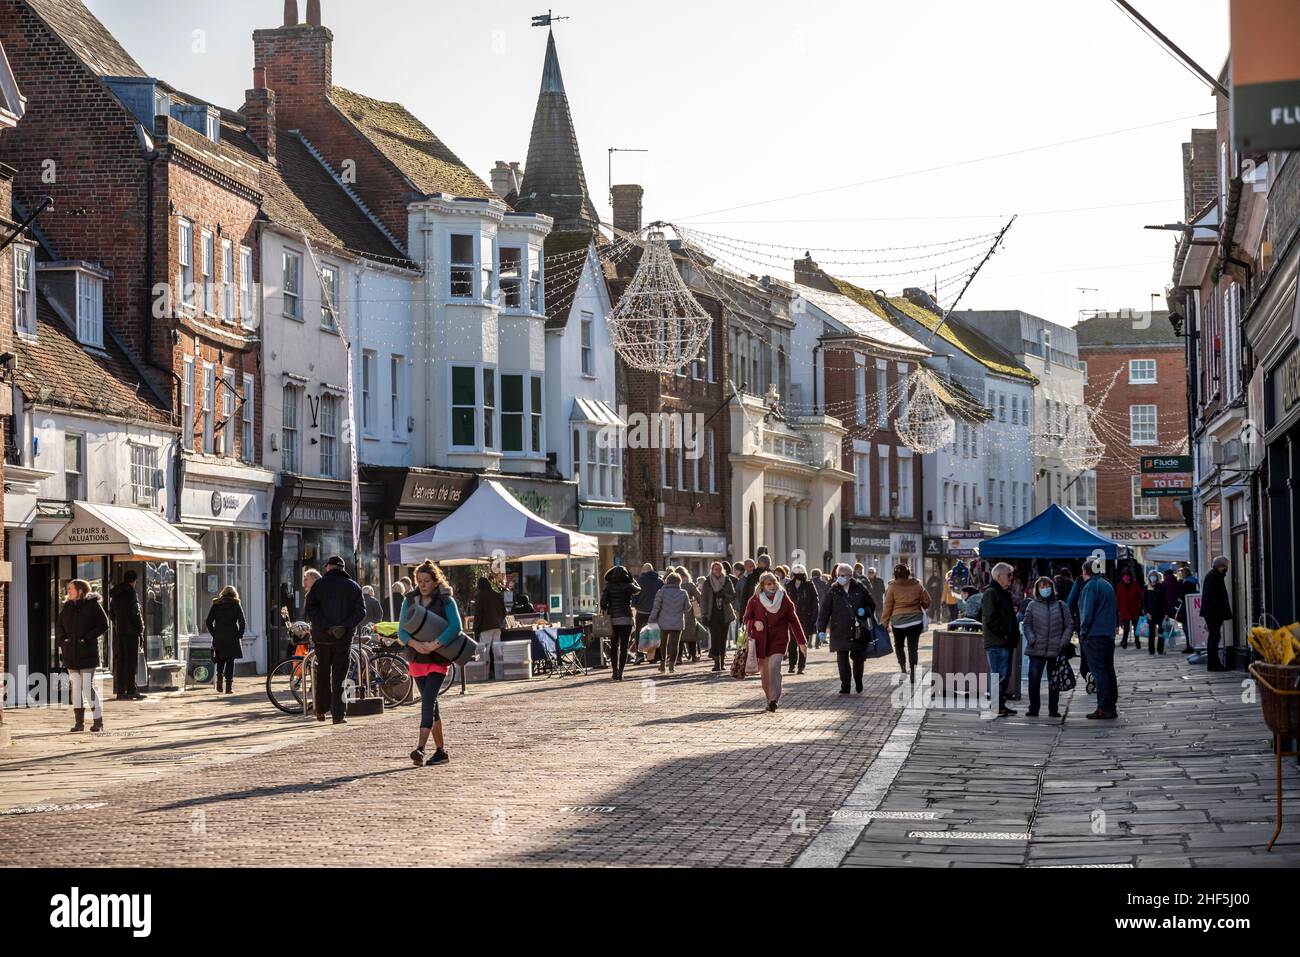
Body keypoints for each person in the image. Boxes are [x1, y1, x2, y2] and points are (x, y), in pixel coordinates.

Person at [397, 560, 460, 766]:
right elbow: (402, 630)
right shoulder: (410, 600)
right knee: (432, 707)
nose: (422, 584)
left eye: (426, 581)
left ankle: (420, 748)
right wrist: (415, 643)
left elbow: (455, 626)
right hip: (417, 658)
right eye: (419, 581)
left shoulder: (445, 600)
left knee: (427, 701)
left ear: (435, 581)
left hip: (438, 658)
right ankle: (441, 752)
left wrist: (434, 644)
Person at [303, 555, 367, 725]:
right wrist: (344, 626)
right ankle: (338, 715)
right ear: (342, 568)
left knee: (322, 673)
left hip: (322, 637)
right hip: (342, 639)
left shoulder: (318, 585)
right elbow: (361, 611)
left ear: (328, 567)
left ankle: (321, 710)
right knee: (340, 675)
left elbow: (310, 609)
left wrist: (326, 626)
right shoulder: (353, 586)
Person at [743, 571, 807, 712]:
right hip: (761, 642)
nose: (772, 586)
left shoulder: (783, 599)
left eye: (773, 583)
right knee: (765, 675)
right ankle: (769, 698)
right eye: (768, 584)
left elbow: (794, 621)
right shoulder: (754, 600)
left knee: (774, 667)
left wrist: (802, 642)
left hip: (779, 640)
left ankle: (774, 699)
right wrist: (754, 623)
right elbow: (746, 618)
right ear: (762, 586)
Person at [58, 579, 109, 733]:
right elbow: (59, 626)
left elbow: (103, 625)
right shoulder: (67, 607)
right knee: (75, 689)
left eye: (71, 589)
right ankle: (79, 723)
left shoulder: (93, 605)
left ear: (80, 591)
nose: (68, 592)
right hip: (71, 654)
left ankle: (98, 722)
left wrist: (87, 638)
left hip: (87, 653)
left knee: (87, 687)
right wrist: (63, 640)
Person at [816, 563, 874, 695]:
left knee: (858, 658)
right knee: (842, 660)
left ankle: (858, 681)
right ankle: (845, 685)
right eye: (838, 575)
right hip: (839, 629)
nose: (840, 578)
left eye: (843, 575)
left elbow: (871, 604)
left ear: (850, 576)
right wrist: (821, 630)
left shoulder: (860, 588)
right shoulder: (833, 590)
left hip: (858, 630)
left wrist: (864, 611)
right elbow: (824, 611)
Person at [1022, 576, 1074, 718]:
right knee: (1034, 679)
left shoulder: (1060, 605)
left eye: (1047, 586)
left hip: (1055, 649)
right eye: (1042, 586)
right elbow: (1027, 625)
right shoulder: (1032, 605)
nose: (1045, 589)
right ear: (1037, 589)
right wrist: (1032, 639)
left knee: (1054, 681)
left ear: (1052, 588)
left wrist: (1063, 641)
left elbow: (1069, 624)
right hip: (1036, 649)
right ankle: (1033, 708)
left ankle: (1053, 709)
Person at [1078, 559, 1119, 718]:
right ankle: (1110, 705)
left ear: (1086, 572)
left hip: (1094, 635)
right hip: (1107, 635)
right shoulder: (1107, 585)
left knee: (1099, 672)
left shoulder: (1090, 587)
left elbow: (1087, 614)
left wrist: (1083, 632)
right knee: (1109, 670)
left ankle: (1103, 707)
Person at [881, 563, 932, 684]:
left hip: (898, 622)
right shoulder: (917, 585)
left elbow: (888, 606)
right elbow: (927, 601)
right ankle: (914, 672)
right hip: (915, 621)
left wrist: (885, 622)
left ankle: (903, 669)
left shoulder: (892, 587)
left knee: (899, 645)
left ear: (895, 574)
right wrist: (922, 606)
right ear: (908, 573)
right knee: (913, 648)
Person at [981, 563, 1019, 717]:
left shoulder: (1002, 593)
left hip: (1004, 640)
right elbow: (990, 617)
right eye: (1008, 574)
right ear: (998, 576)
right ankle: (996, 705)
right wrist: (1006, 632)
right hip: (997, 641)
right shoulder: (991, 593)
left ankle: (1000, 704)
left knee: (1004, 675)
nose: (1011, 578)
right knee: (999, 674)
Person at [108, 571, 145, 701]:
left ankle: (120, 690)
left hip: (120, 631)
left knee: (121, 661)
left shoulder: (116, 594)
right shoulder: (131, 592)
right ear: (134, 580)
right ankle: (131, 689)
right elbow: (135, 612)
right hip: (131, 632)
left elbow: (111, 613)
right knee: (131, 661)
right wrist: (140, 628)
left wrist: (118, 623)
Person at [600, 565, 640, 681]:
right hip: (626, 619)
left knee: (613, 646)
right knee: (623, 647)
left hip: (613, 619)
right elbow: (639, 589)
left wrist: (609, 606)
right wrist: (632, 580)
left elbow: (603, 604)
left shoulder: (609, 587)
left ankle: (614, 671)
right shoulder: (629, 586)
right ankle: (621, 672)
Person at [205, 585, 246, 694]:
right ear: (234, 594)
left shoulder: (216, 604)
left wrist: (214, 633)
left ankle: (219, 683)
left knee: (220, 660)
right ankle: (228, 687)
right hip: (232, 637)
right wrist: (240, 634)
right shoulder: (236, 604)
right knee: (230, 661)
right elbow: (242, 622)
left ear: (223, 593)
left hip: (219, 636)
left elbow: (208, 621)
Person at [648, 572, 688, 674]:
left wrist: (651, 619)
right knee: (675, 644)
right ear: (679, 581)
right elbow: (687, 608)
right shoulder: (683, 593)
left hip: (663, 622)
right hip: (677, 622)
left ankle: (662, 664)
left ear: (667, 581)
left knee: (663, 644)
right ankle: (671, 666)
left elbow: (656, 608)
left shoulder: (661, 592)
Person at [699, 561, 736, 671]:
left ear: (722, 570)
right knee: (715, 638)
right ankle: (716, 663)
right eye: (715, 569)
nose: (717, 571)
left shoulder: (727, 580)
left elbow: (733, 595)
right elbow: (703, 599)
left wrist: (725, 596)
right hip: (712, 614)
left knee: (723, 638)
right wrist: (704, 614)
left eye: (719, 569)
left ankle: (722, 662)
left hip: (725, 614)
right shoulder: (707, 582)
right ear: (712, 570)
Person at [1199, 556, 1232, 672]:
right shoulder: (1213, 576)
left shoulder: (1215, 576)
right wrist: (1216, 612)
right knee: (1214, 637)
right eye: (1226, 565)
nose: (1227, 568)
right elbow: (1212, 597)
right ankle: (1213, 664)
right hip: (1213, 613)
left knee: (1215, 637)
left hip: (1214, 613)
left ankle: (1214, 663)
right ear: (1221, 566)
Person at [472, 576, 507, 680]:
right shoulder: (497, 595)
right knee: (498, 650)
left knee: (484, 652)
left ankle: (484, 674)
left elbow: (478, 615)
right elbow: (504, 612)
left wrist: (475, 628)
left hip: (485, 627)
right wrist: (499, 621)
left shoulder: (481, 597)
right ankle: (500, 673)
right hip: (497, 626)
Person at [787, 565, 818, 675]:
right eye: (796, 572)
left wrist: (813, 618)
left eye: (800, 572)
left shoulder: (809, 585)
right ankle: (791, 665)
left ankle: (801, 666)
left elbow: (815, 602)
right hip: (791, 619)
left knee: (803, 643)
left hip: (805, 619)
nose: (798, 575)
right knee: (792, 644)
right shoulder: (789, 585)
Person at [633, 563, 663, 664]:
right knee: (655, 633)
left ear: (643, 570)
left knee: (640, 633)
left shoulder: (639, 581)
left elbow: (635, 596)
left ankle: (640, 655)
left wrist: (636, 605)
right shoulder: (660, 582)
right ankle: (655, 656)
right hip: (655, 612)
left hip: (642, 611)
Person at [676, 566, 703, 664]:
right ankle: (694, 655)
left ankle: (678, 657)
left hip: (677, 613)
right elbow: (699, 597)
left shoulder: (674, 585)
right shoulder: (690, 585)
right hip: (689, 613)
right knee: (691, 636)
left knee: (679, 636)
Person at [1115, 568, 1143, 650]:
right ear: (1122, 577)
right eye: (1124, 576)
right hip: (1124, 609)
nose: (1126, 577)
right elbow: (1117, 598)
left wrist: (1139, 604)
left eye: (1127, 576)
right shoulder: (1119, 586)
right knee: (1126, 626)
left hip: (1134, 608)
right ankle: (1124, 641)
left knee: (1136, 626)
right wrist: (1119, 609)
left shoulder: (1135, 584)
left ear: (1130, 576)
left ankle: (1137, 641)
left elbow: (1140, 595)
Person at [1142, 569, 1168, 655]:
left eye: (1155, 576)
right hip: (1150, 613)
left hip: (1161, 613)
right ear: (1149, 577)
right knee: (1151, 632)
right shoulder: (1146, 587)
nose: (1153, 577)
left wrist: (1166, 613)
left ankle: (1160, 649)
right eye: (1151, 576)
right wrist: (1146, 612)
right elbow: (1144, 602)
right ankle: (1151, 650)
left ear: (1157, 577)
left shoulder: (1161, 587)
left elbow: (1165, 601)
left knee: (1161, 632)